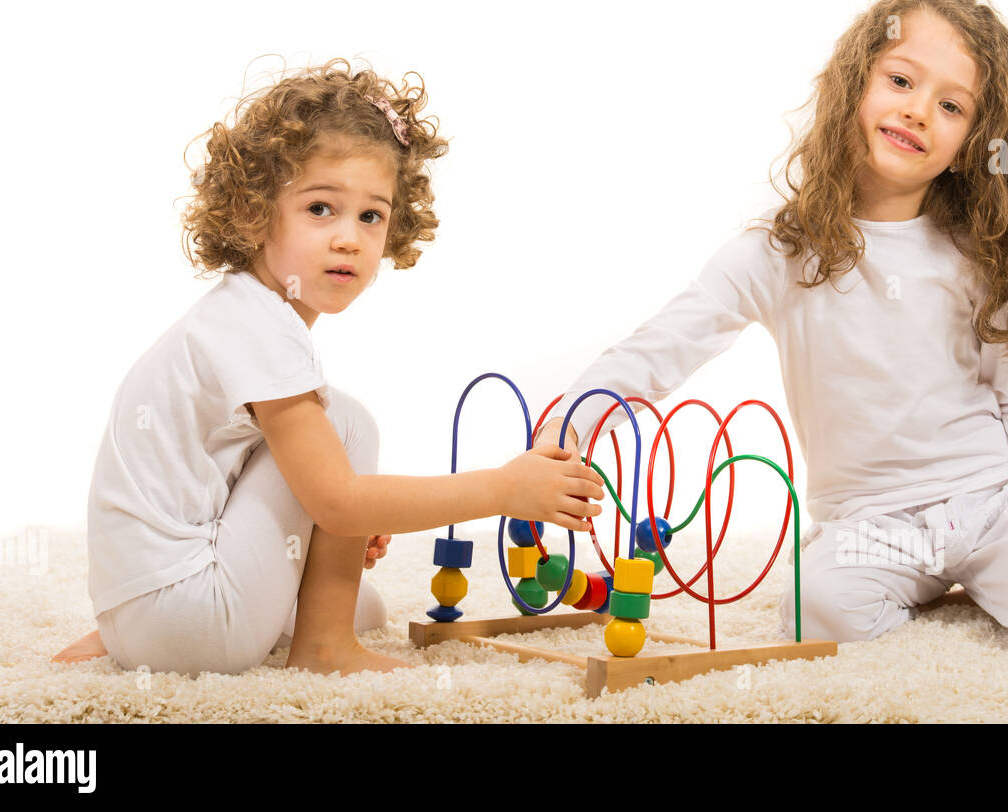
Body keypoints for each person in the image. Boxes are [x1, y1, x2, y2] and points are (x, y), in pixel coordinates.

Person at [535, 0, 1008, 647]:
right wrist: (567, 424)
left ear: (973, 142)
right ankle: (934, 594)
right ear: (854, 85)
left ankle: (995, 576)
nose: (918, 111)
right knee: (817, 613)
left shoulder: (979, 253)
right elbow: (663, 344)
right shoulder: (779, 254)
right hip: (869, 521)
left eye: (951, 105)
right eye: (900, 80)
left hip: (991, 503)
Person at [53, 59, 603, 677]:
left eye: (371, 216)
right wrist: (503, 489)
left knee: (366, 605)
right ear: (255, 212)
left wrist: (318, 530)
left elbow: (256, 481)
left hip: (141, 611)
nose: (349, 238)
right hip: (189, 612)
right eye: (321, 209)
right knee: (344, 422)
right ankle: (324, 650)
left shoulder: (241, 315)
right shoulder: (260, 330)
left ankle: (167, 636)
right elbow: (340, 501)